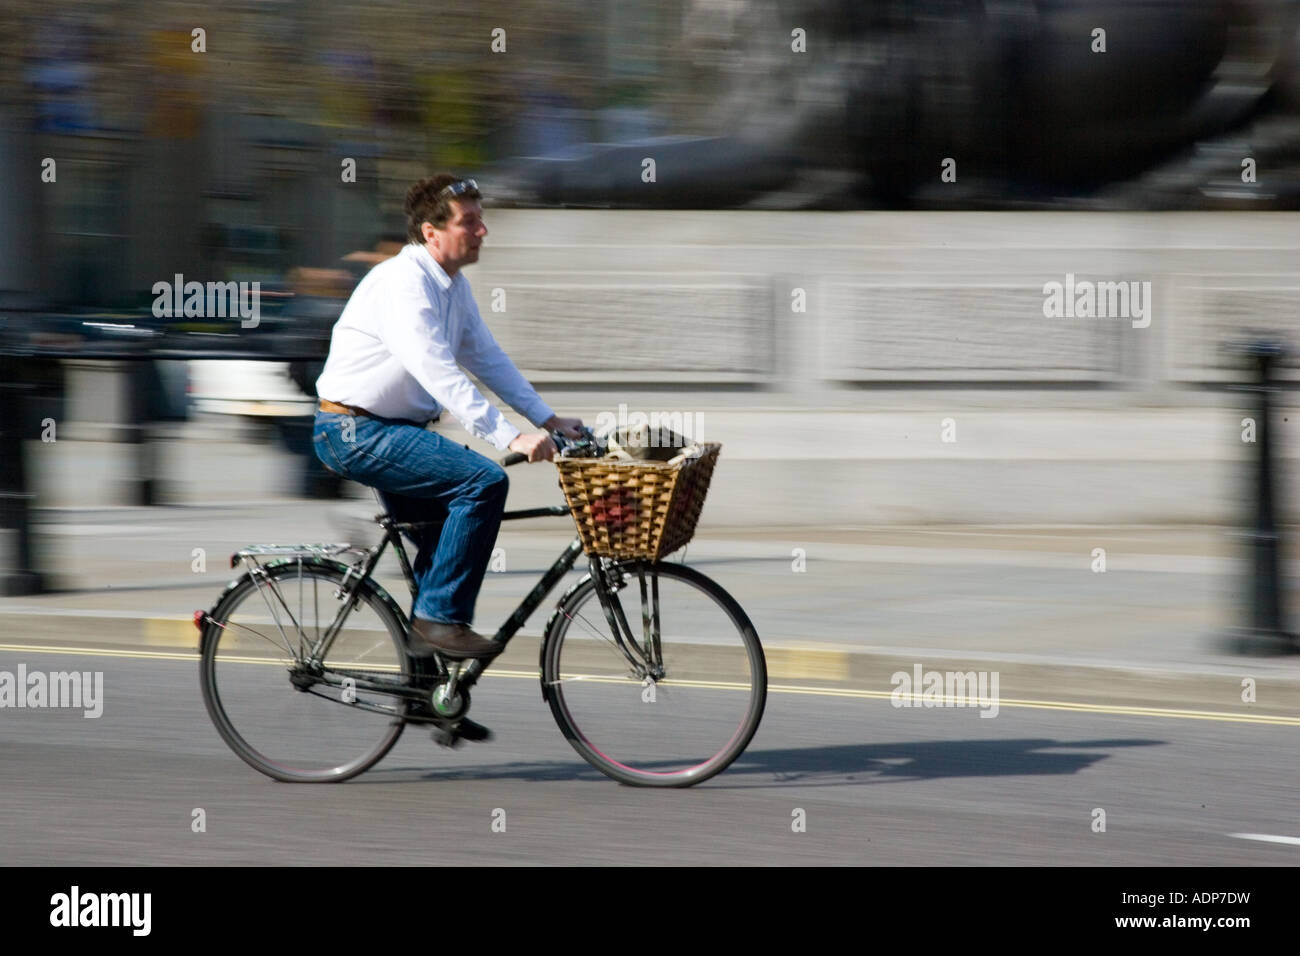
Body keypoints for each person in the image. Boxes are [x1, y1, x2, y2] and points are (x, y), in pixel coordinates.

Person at [312, 174, 582, 662]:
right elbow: (438, 371)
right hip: (354, 431)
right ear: (431, 233)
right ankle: (440, 621)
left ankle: (427, 696)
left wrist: (548, 419)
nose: (482, 231)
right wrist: (510, 435)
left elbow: (486, 358)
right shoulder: (403, 284)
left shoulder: (452, 286)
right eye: (469, 222)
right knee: (482, 483)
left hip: (394, 431)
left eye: (481, 220)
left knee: (439, 557)